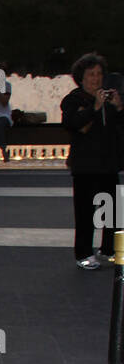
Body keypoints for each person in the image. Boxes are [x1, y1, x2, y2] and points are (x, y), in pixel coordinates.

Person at [61, 52, 124, 269]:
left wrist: (119, 107)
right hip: (85, 165)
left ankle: (109, 250)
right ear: (81, 77)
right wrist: (95, 107)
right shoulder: (73, 99)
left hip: (108, 163)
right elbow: (73, 124)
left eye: (99, 74)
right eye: (91, 74)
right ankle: (84, 253)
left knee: (114, 212)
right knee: (86, 213)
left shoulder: (108, 97)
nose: (96, 78)